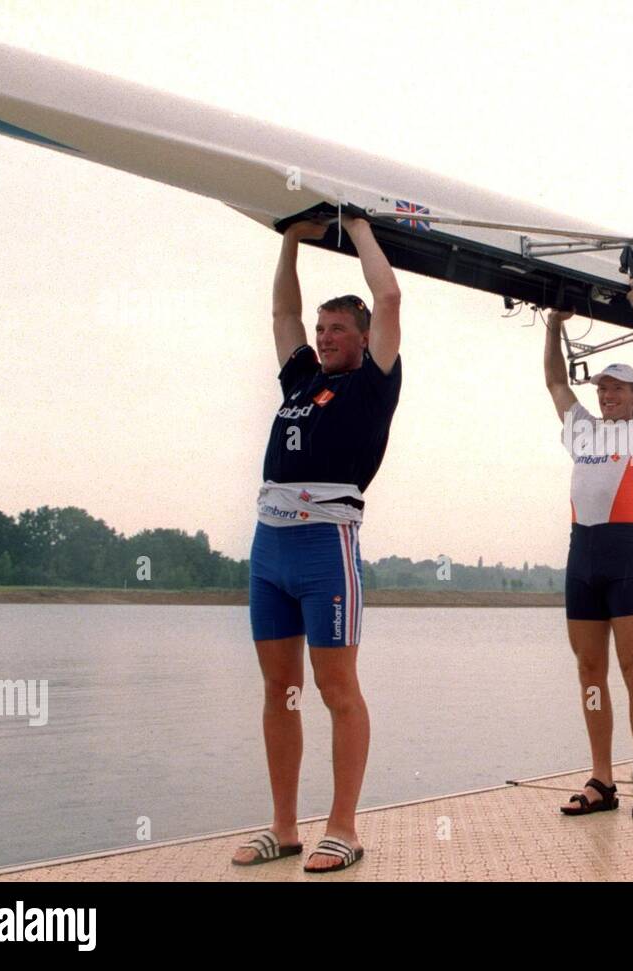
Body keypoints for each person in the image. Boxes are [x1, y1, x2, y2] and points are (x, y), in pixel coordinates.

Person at [231, 215, 401, 872]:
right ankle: (283, 825)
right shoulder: (301, 379)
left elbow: (387, 298)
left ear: (363, 341)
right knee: (280, 689)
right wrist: (292, 239)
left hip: (325, 548)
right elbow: (282, 311)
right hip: (269, 546)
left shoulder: (371, 386)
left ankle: (344, 826)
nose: (324, 338)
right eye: (321, 330)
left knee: (336, 687)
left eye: (338, 331)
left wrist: (356, 223)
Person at [545, 278, 633, 819]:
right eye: (602, 388)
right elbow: (554, 381)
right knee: (589, 671)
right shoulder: (583, 431)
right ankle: (602, 777)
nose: (606, 395)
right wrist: (554, 323)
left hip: (625, 555)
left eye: (617, 388)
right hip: (582, 557)